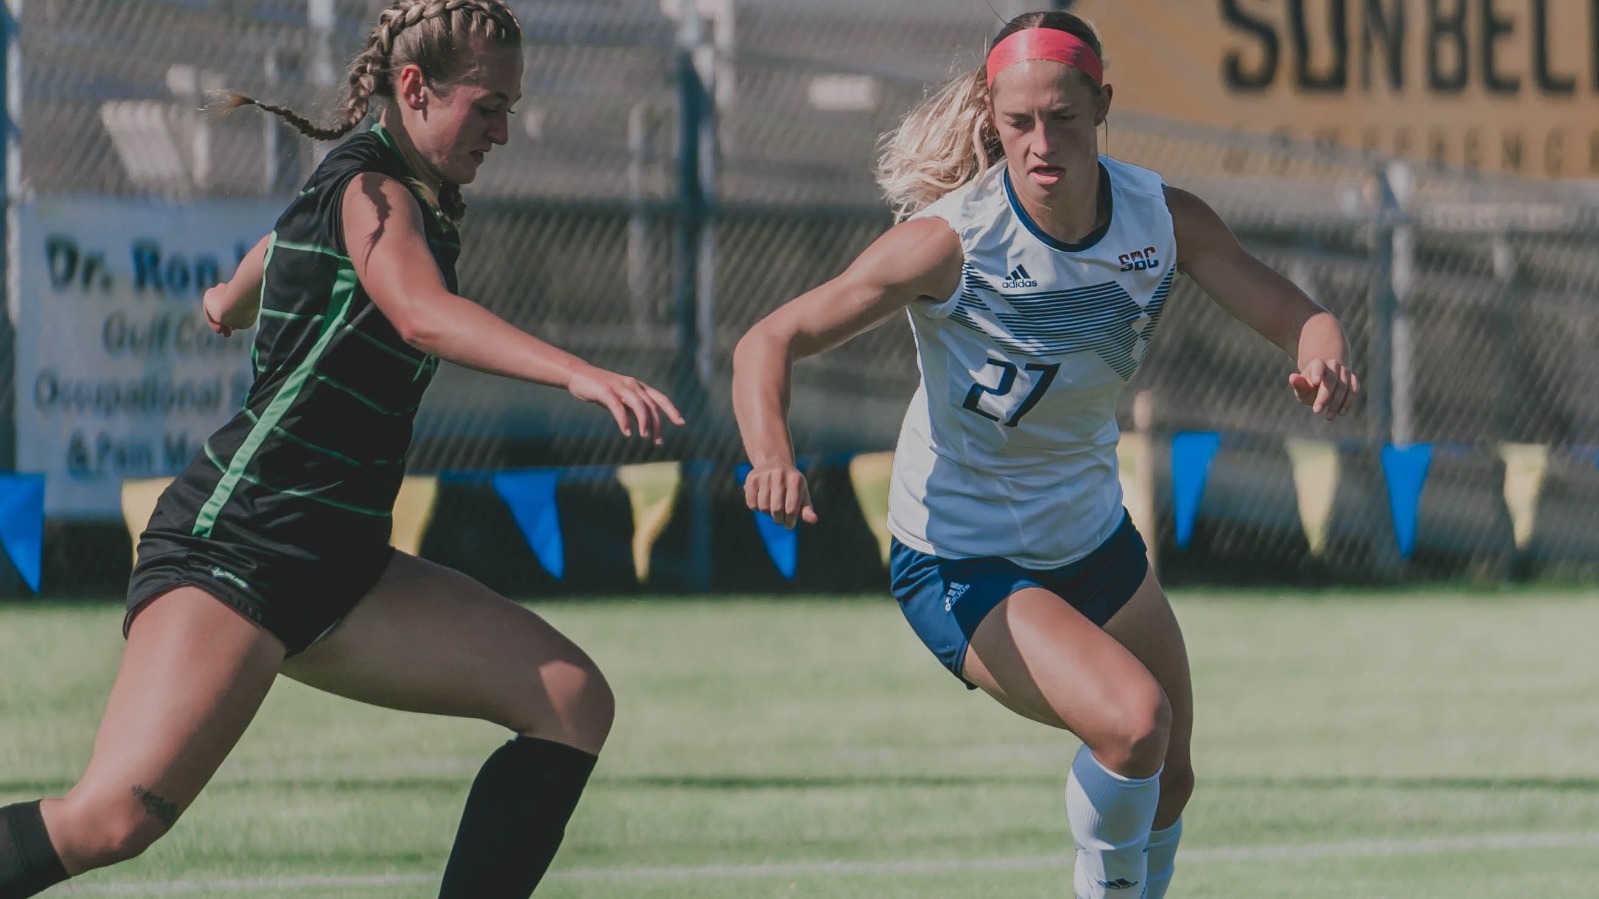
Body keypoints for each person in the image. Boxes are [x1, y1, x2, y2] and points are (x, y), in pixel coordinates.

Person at [0, 2, 685, 896]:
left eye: (511, 107)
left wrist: (226, 298)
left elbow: (277, 240)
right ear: (414, 88)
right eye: (487, 107)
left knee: (569, 698)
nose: (505, 131)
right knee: (112, 819)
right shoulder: (374, 191)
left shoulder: (379, 188)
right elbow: (417, 310)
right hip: (236, 552)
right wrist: (574, 373)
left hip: (341, 566)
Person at [732, 10, 1357, 899]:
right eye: (1019, 122)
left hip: (1089, 539)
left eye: (1063, 117)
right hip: (961, 555)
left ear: (1103, 105)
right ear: (992, 117)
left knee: (1170, 775)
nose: (1041, 142)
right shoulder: (951, 243)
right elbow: (768, 339)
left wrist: (1319, 354)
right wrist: (770, 453)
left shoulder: (1159, 220)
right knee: (1133, 722)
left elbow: (1296, 313)